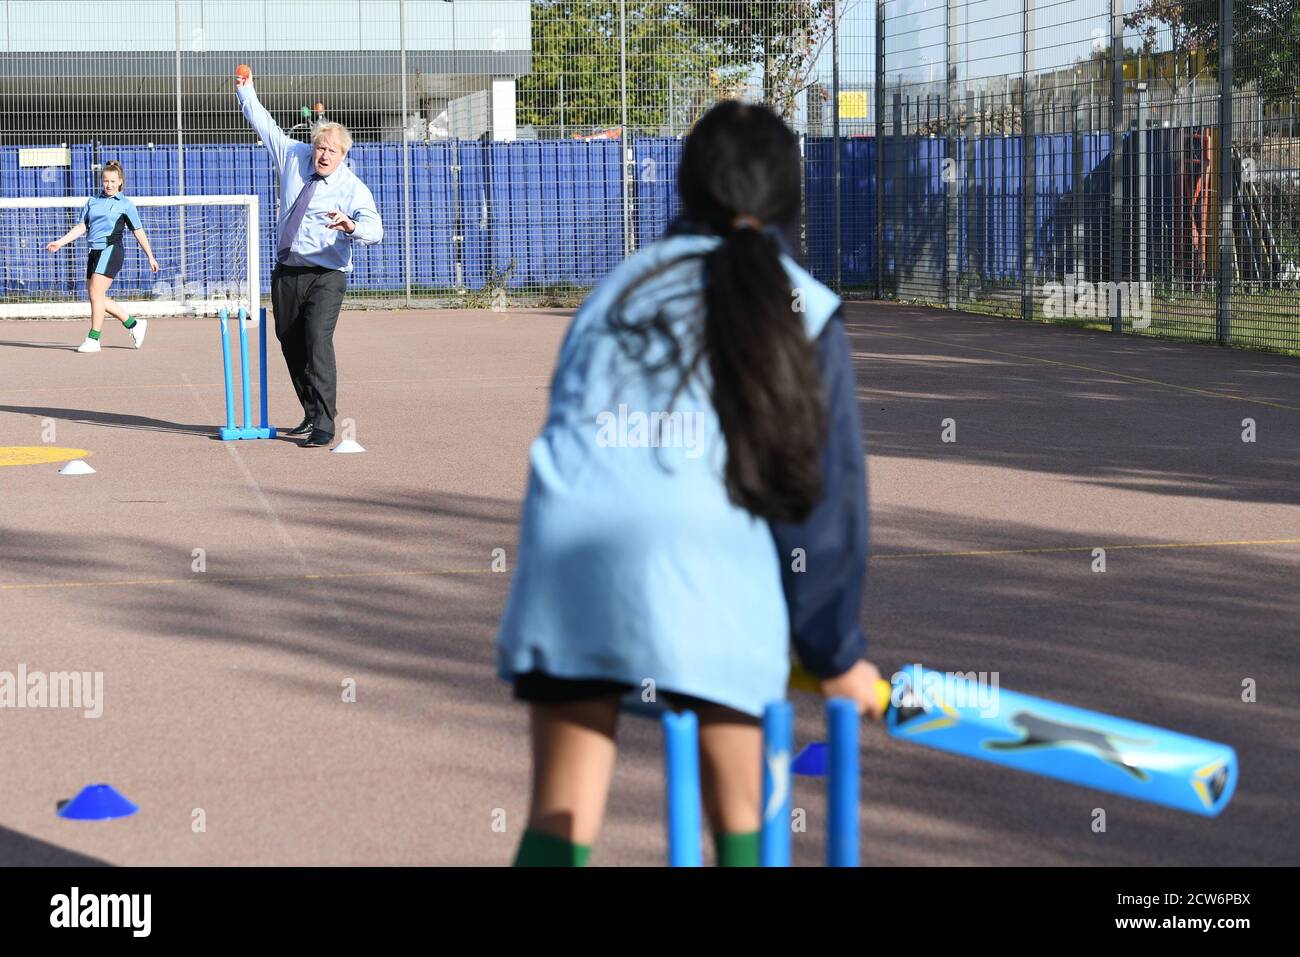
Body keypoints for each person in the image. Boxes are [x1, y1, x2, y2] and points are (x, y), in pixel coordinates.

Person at [496, 100, 883, 867]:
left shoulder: (618, 288)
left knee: (561, 812)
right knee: (744, 806)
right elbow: (821, 504)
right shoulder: (802, 304)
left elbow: (576, 429)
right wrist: (834, 651)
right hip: (709, 564)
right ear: (790, 199)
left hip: (571, 555)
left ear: (684, 188)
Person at [235, 67, 383, 448]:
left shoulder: (351, 186)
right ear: (312, 145)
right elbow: (264, 124)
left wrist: (350, 226)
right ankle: (310, 411)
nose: (324, 155)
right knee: (290, 342)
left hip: (326, 274)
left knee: (318, 340)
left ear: (343, 155)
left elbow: (375, 229)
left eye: (332, 151)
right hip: (287, 271)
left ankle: (326, 423)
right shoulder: (293, 156)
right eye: (320, 147)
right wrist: (246, 91)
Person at [46, 160, 159, 353]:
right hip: (94, 251)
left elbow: (138, 231)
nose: (109, 184)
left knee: (96, 294)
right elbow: (82, 226)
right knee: (95, 295)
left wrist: (150, 256)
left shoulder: (125, 204)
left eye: (113, 181)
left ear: (120, 182)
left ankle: (93, 339)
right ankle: (134, 324)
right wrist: (60, 242)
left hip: (112, 250)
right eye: (106, 180)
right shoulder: (93, 201)